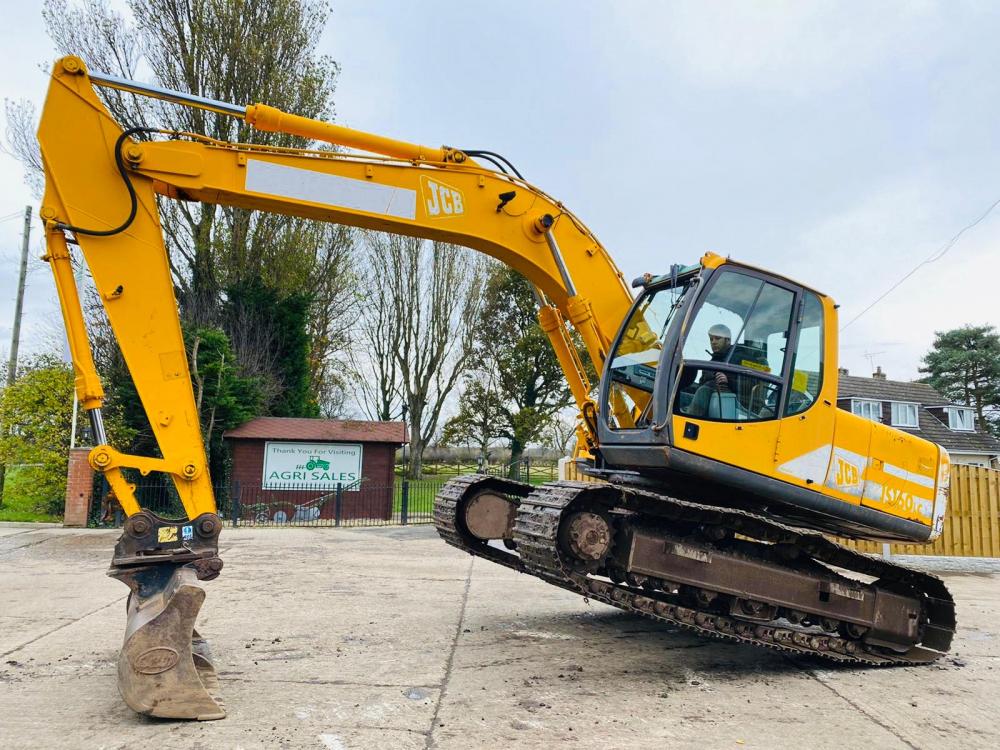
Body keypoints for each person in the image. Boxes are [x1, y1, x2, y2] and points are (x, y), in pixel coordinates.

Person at [680, 323, 734, 417]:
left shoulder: (736, 357)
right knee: (679, 393)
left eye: (717, 338)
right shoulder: (712, 362)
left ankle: (690, 419)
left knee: (703, 390)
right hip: (709, 396)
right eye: (711, 339)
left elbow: (746, 382)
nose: (713, 342)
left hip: (725, 398)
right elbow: (701, 384)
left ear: (728, 340)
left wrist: (727, 380)